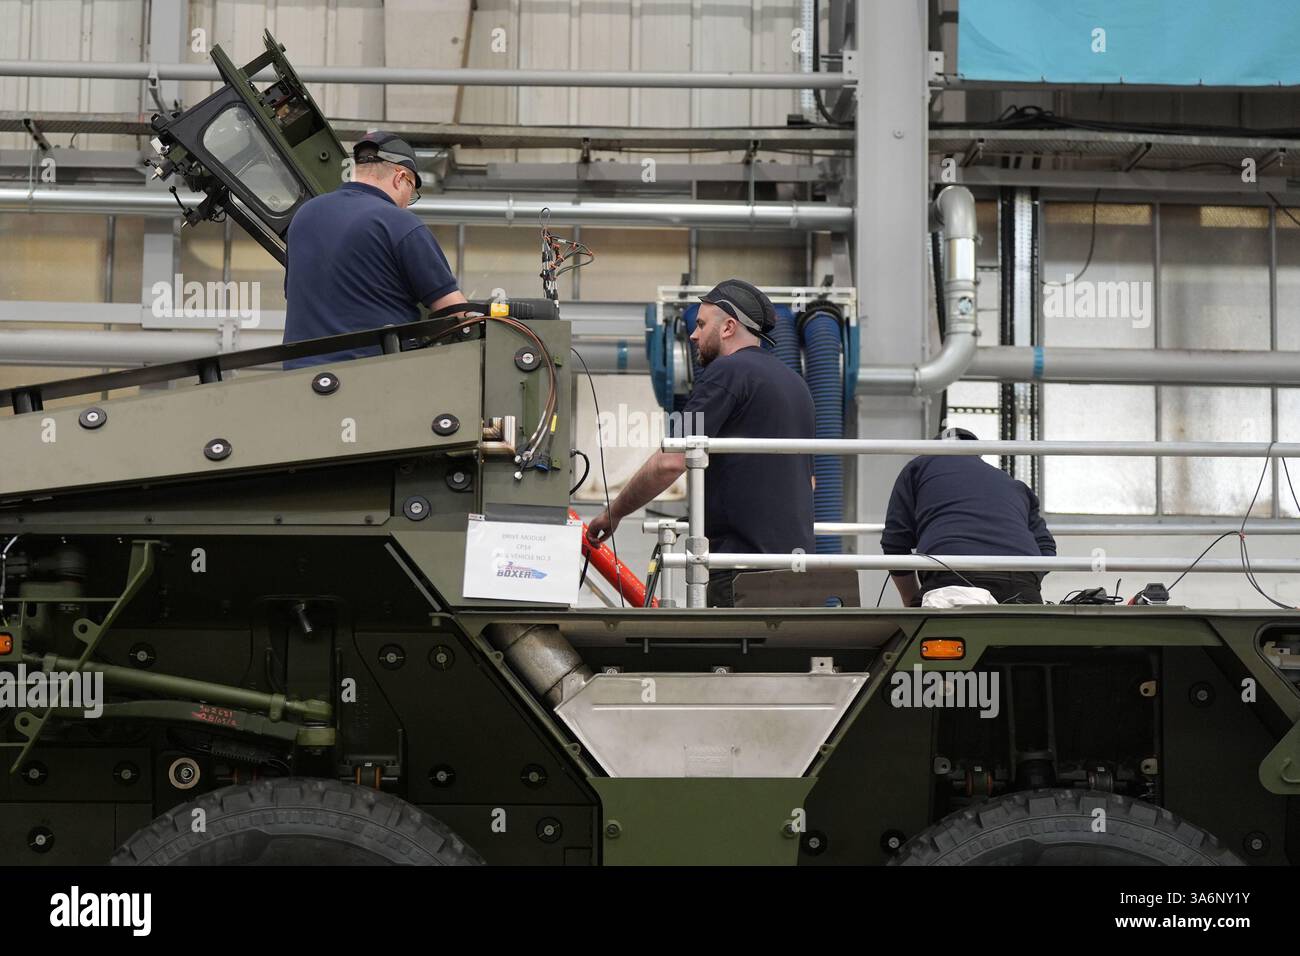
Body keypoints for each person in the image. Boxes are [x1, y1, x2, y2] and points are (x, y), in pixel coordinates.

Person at [586, 279, 816, 607]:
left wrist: (614, 513)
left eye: (701, 324)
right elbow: (810, 481)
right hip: (798, 570)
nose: (694, 335)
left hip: (741, 571)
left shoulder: (724, 373)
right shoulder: (797, 386)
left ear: (728, 327)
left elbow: (672, 460)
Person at [282, 131, 467, 368]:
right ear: (400, 178)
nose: (406, 201)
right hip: (372, 380)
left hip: (299, 378)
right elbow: (454, 310)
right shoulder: (399, 223)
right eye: (411, 192)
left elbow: (294, 292)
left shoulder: (304, 215)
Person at [881, 427, 1056, 605]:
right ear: (978, 454)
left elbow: (895, 541)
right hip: (1021, 583)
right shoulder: (1012, 483)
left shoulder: (919, 466)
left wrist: (910, 600)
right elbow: (1047, 548)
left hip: (951, 576)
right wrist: (1024, 578)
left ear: (932, 448)